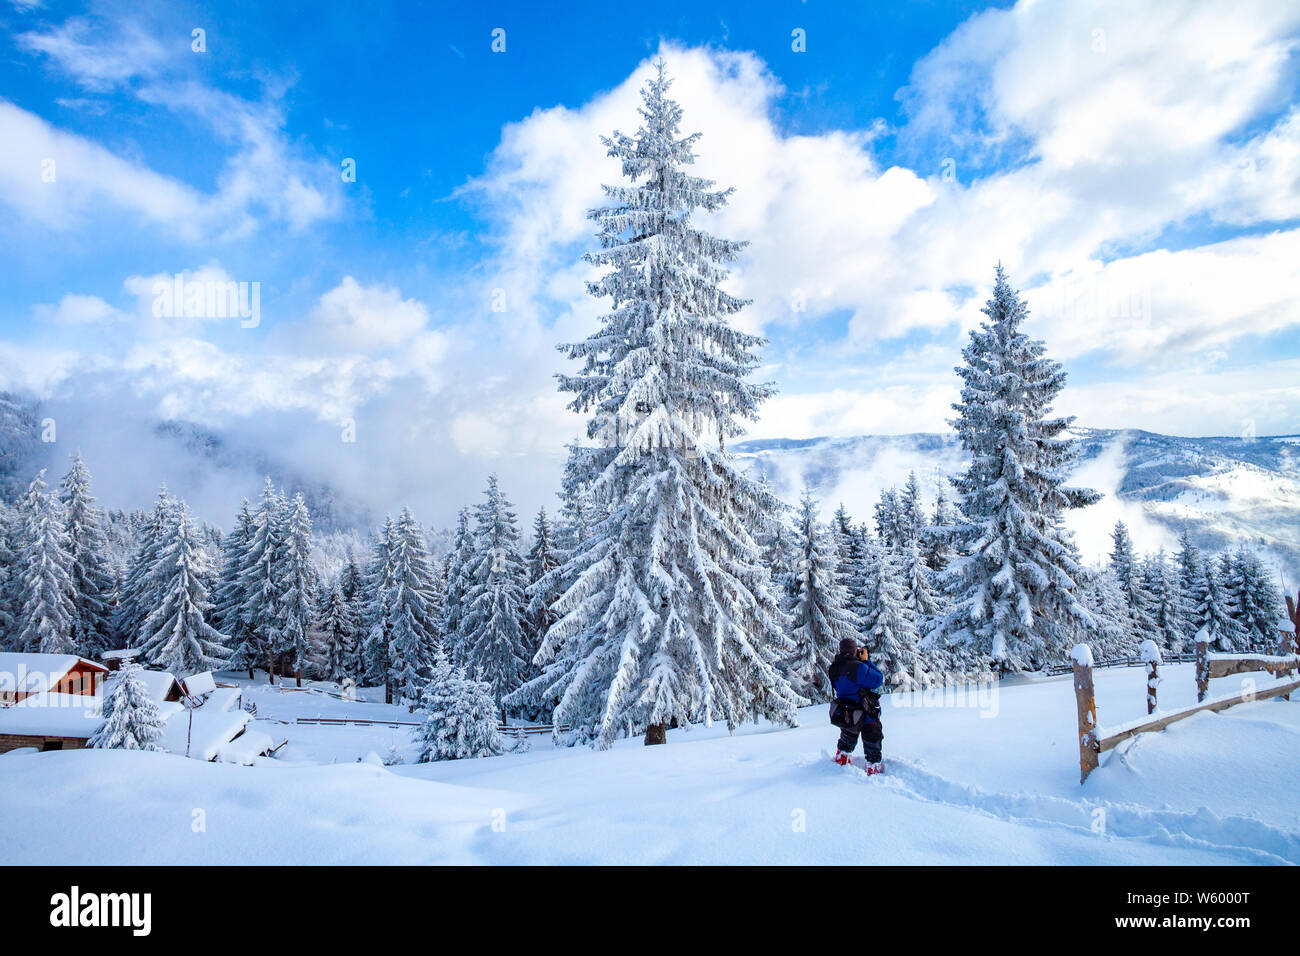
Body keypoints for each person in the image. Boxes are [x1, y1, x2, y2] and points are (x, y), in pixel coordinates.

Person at [828, 637, 884, 773]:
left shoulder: (834, 667)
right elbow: (878, 679)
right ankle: (873, 766)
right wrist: (866, 661)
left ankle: (842, 760)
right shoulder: (858, 667)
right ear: (854, 651)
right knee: (872, 738)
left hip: (846, 712)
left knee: (847, 738)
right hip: (865, 711)